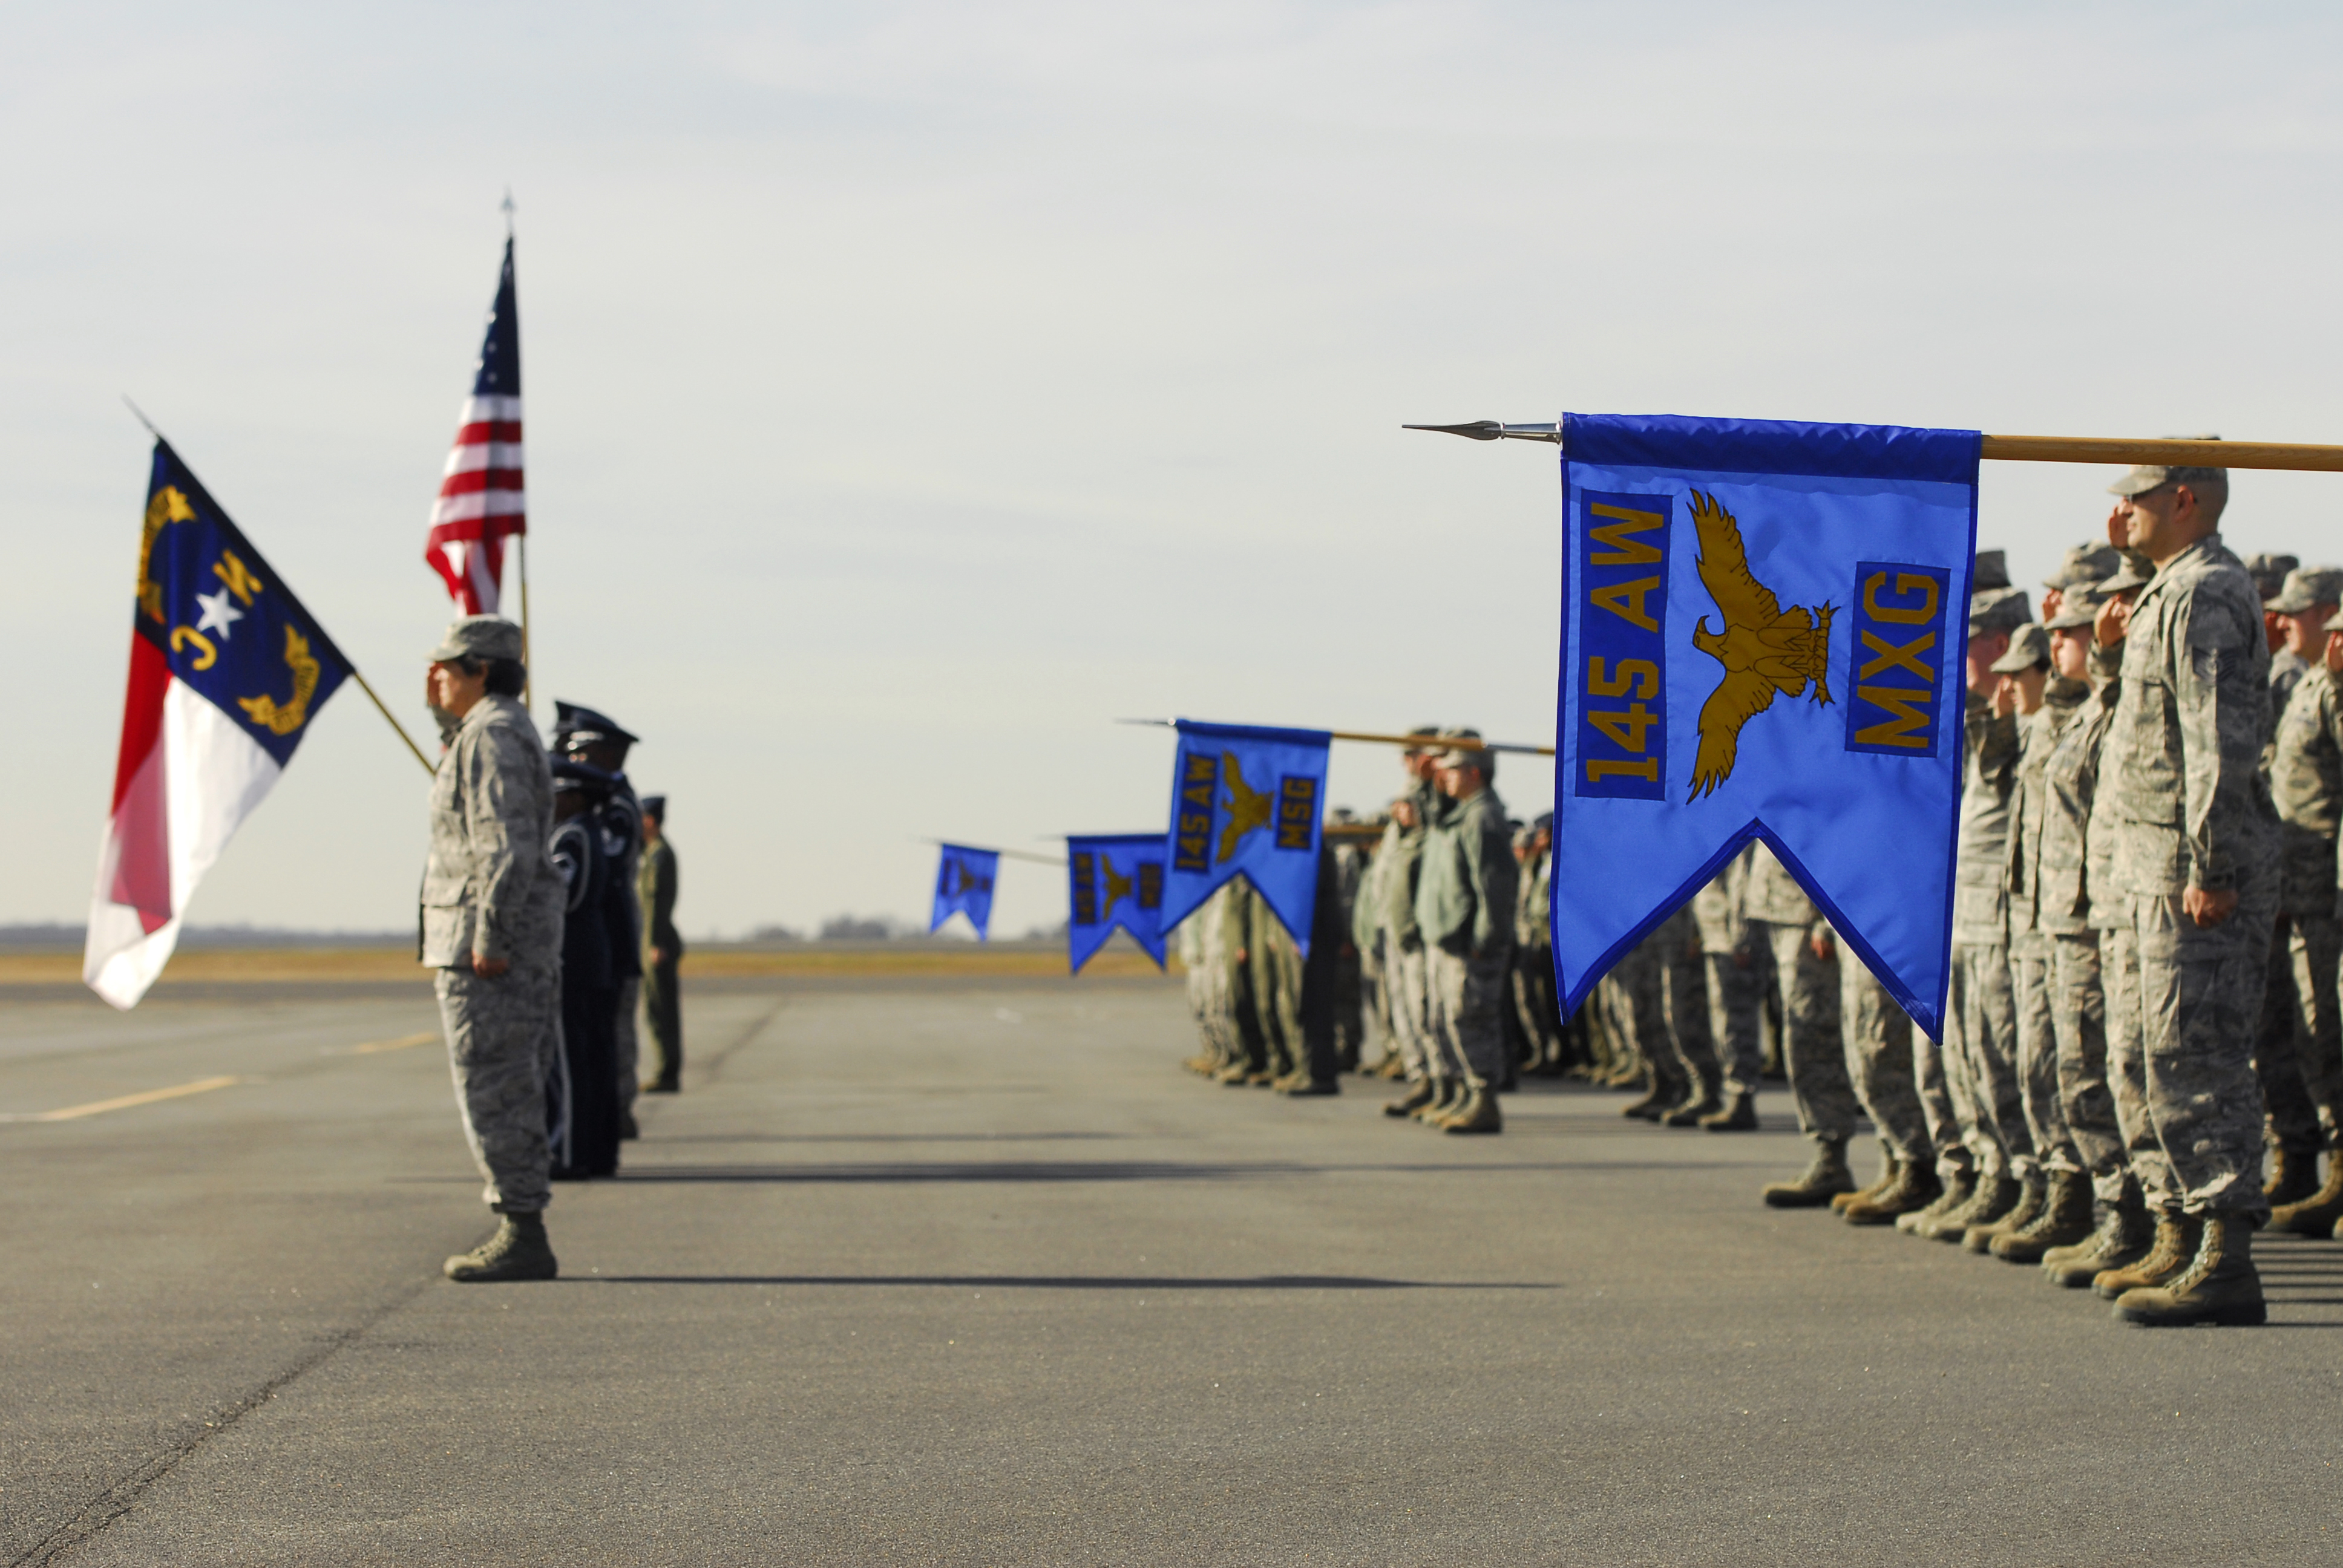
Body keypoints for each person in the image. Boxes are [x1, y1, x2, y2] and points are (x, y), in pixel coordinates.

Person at [2094, 456, 2278, 1327]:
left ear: (2183, 499)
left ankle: (2227, 1258)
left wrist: (2212, 865)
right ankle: (2174, 1229)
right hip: (2142, 865)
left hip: (2184, 868)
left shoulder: (2208, 591)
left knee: (2195, 1057)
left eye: (2130, 500)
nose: (2116, 514)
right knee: (2140, 1057)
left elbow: (2217, 739)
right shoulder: (2166, 588)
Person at [421, 615, 564, 1284]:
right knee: (504, 1082)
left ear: (483, 669)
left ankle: (520, 1227)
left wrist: (491, 936)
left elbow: (505, 846)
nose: (436, 679)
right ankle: (519, 1220)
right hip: (492, 942)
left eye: (448, 668)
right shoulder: (486, 731)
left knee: (497, 1086)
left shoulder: (494, 734)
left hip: (489, 952)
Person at [1906, 576, 2036, 1240]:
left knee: (2009, 1056)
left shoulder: (2022, 722)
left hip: (2009, 917)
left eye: (1970, 642)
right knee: (1960, 1056)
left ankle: (2023, 1179)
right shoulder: (1973, 717)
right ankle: (1982, 1172)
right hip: (1964, 912)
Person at [2263, 573, 2343, 1233]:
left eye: (2297, 613)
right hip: (2296, 891)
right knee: (2301, 1035)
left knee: (2327, 1031)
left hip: (2325, 893)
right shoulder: (2304, 684)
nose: (2283, 622)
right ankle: (2306, 1162)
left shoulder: (2331, 689)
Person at [1414, 735, 1518, 1134]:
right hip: (1449, 939)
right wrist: (1429, 784)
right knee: (1448, 1020)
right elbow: (1433, 817)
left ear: (1474, 773)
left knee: (1471, 1018)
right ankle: (1466, 1095)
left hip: (1470, 943)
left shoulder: (1482, 817)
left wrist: (1486, 940)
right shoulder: (1460, 814)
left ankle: (1484, 1099)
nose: (1444, 776)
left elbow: (1495, 886)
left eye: (1451, 770)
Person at [553, 704, 645, 1130]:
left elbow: (604, 868)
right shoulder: (602, 805)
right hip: (598, 940)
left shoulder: (614, 807)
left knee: (604, 1036)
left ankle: (610, 1118)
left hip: (606, 937)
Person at [548, 762, 624, 1178]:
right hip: (589, 958)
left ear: (575, 797)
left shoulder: (573, 836)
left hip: (572, 958)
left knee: (571, 1062)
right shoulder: (588, 833)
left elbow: (563, 896)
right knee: (590, 1059)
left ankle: (572, 1151)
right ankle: (594, 1149)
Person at [637, 794, 685, 1094]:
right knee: (656, 1009)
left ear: (650, 821)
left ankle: (667, 1072)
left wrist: (654, 943)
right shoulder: (654, 851)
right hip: (654, 940)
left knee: (662, 1009)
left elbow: (656, 902)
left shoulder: (659, 855)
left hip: (658, 942)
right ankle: (665, 1069)